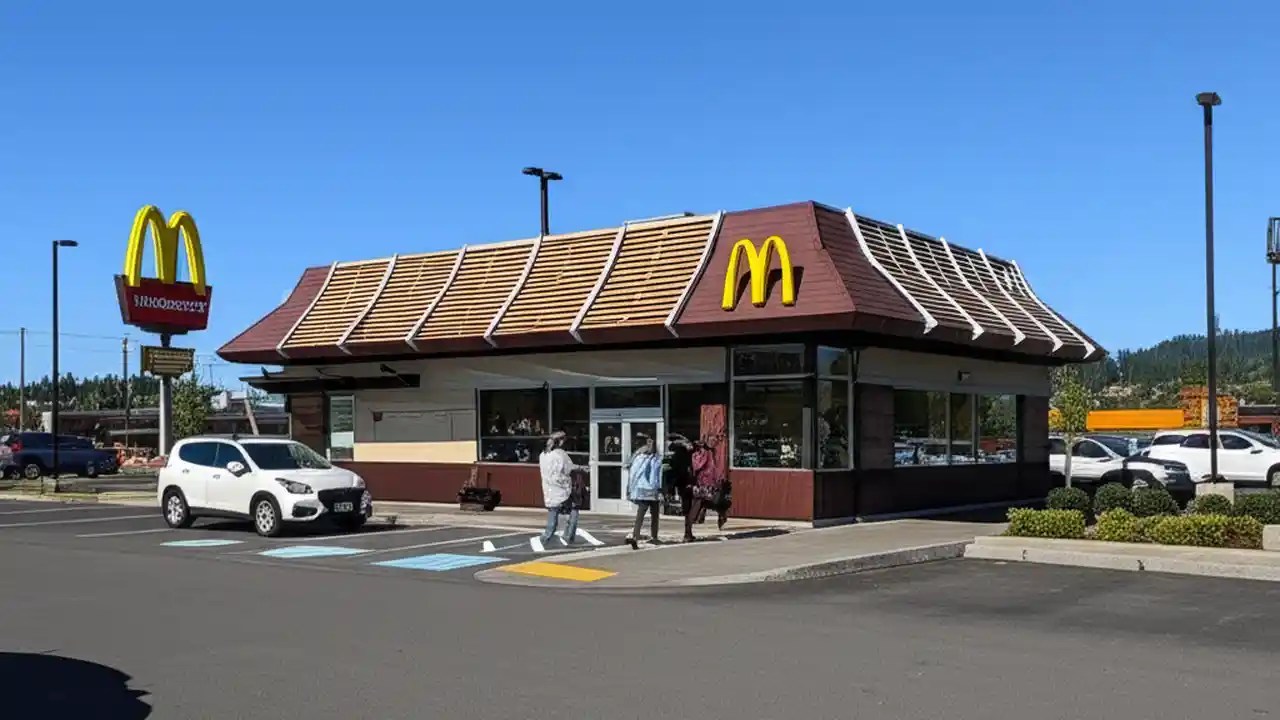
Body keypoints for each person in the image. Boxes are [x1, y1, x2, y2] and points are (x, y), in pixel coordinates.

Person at [539, 431, 587, 545]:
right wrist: (582, 468)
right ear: (560, 441)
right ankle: (569, 535)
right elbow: (568, 468)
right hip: (562, 487)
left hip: (549, 487)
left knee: (553, 511)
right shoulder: (560, 454)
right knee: (574, 508)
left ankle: (547, 535)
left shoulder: (543, 455)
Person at [685, 433, 729, 542]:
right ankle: (687, 533)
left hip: (711, 485)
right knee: (696, 508)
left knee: (715, 503)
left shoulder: (712, 452)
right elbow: (697, 466)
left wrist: (719, 479)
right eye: (711, 441)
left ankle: (720, 517)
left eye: (715, 441)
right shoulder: (703, 452)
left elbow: (714, 468)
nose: (713, 443)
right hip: (702, 485)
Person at [626, 435, 663, 549]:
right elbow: (633, 472)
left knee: (649, 515)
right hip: (647, 490)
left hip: (649, 490)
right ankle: (640, 536)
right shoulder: (645, 458)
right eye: (649, 444)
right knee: (646, 514)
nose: (650, 446)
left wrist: (660, 489)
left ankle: (648, 536)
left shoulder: (652, 458)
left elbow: (658, 475)